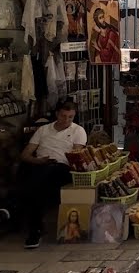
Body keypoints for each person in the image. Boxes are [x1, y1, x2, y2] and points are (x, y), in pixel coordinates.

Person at [18, 101, 88, 249]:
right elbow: (25, 155)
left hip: (62, 167)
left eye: (70, 117)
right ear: (57, 114)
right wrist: (38, 161)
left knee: (41, 180)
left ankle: (34, 229)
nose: (67, 120)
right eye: (64, 116)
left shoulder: (78, 131)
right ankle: (33, 227)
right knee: (34, 178)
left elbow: (75, 155)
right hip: (40, 165)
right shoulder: (43, 130)